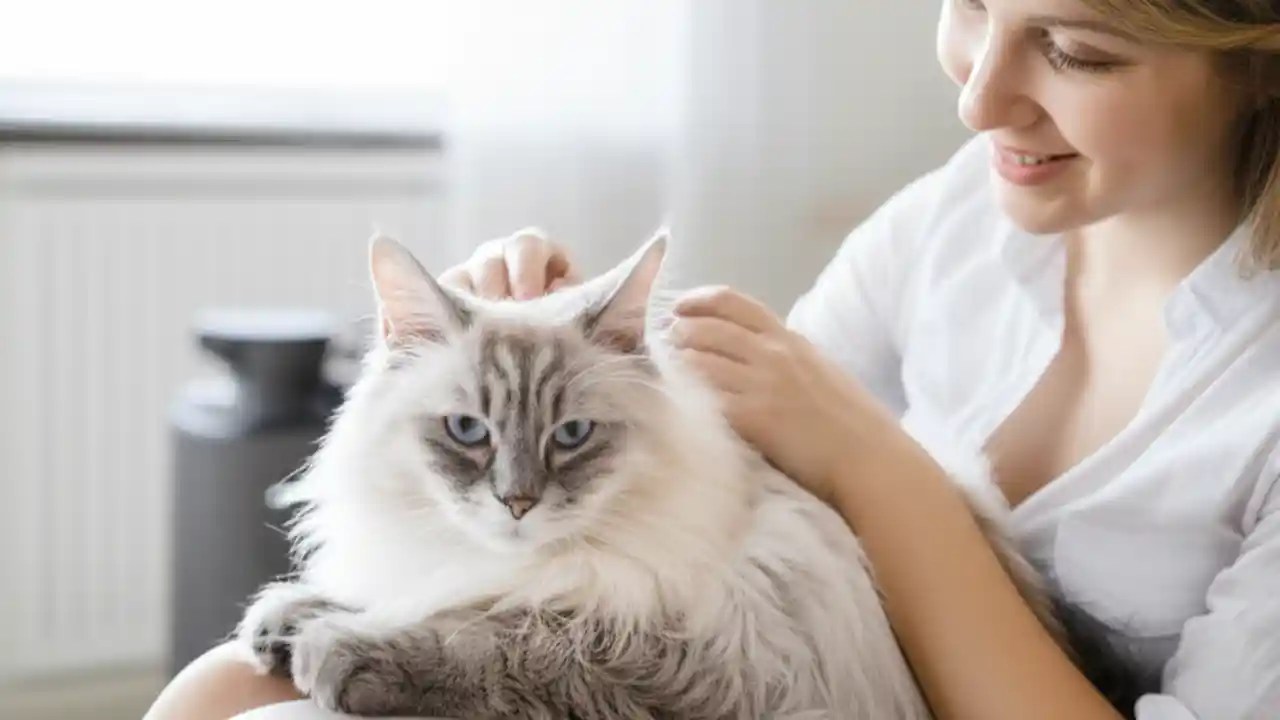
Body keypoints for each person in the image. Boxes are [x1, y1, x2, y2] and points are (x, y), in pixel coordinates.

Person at [146, 0, 1280, 718]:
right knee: (217, 689)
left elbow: (822, 453)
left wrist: (874, 468)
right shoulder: (954, 221)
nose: (978, 97)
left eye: (1075, 51)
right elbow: (725, 471)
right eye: (969, 2)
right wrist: (575, 350)